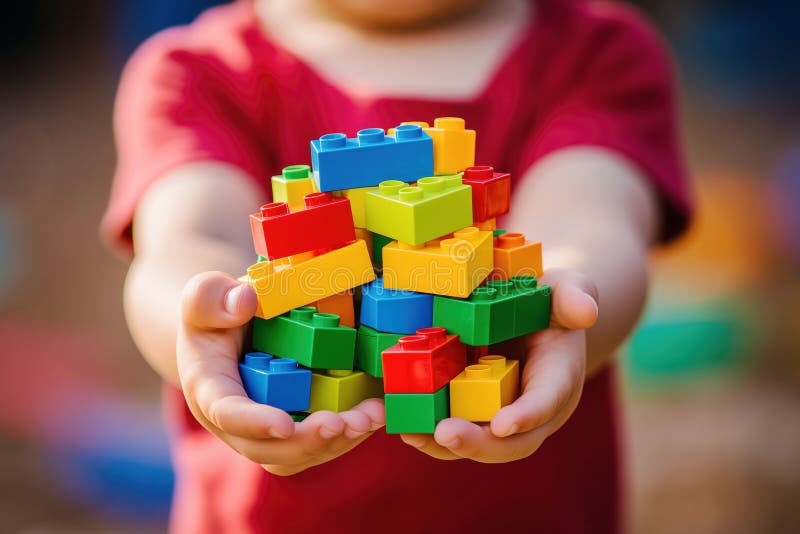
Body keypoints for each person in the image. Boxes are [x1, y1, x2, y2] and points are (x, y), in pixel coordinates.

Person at [102, 0, 690, 531]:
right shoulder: (194, 71)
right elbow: (188, 239)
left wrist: (557, 299)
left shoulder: (598, 52)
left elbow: (589, 221)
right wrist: (201, 318)